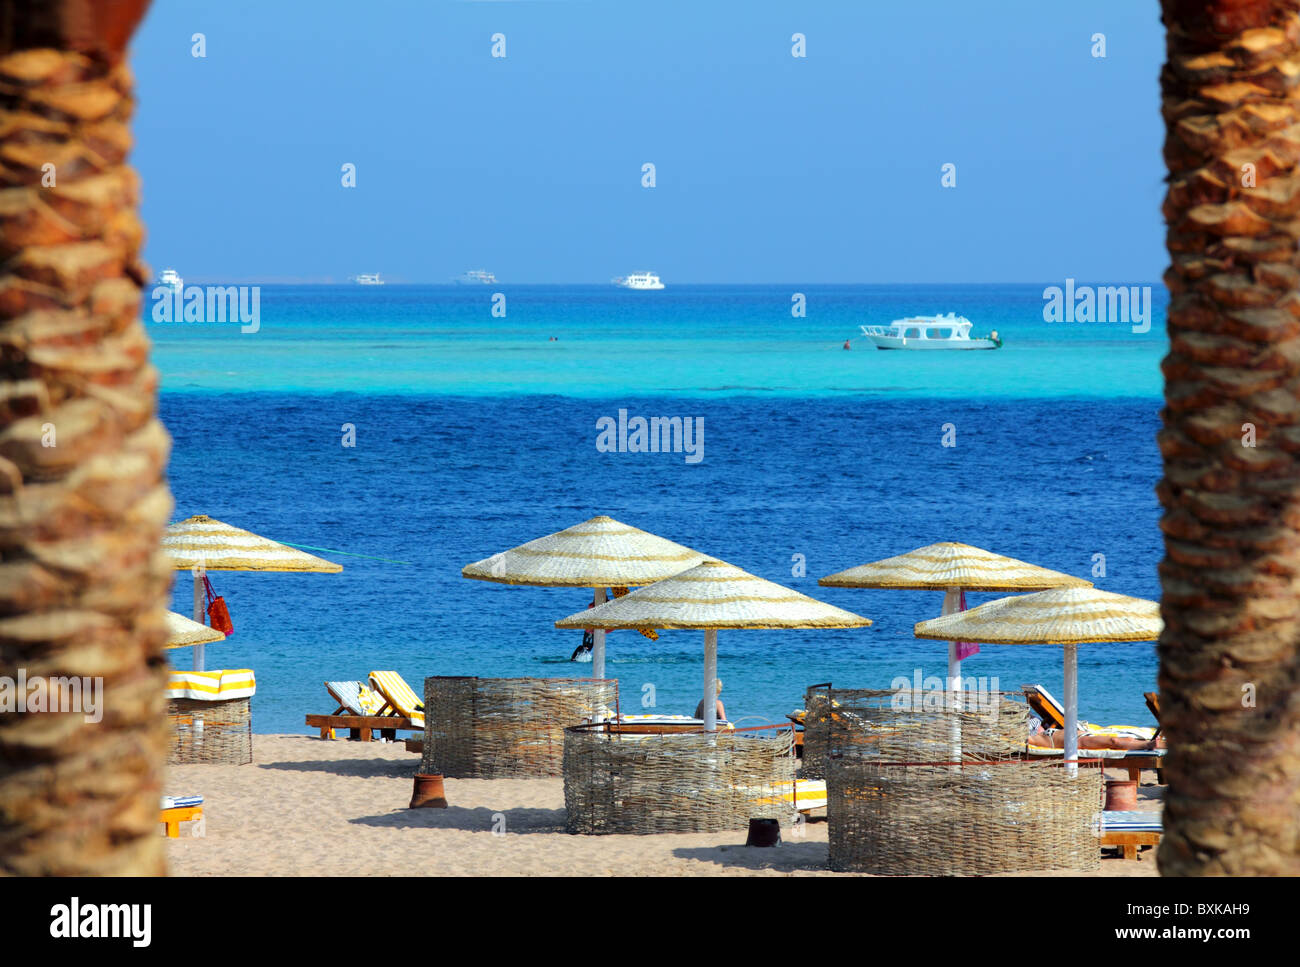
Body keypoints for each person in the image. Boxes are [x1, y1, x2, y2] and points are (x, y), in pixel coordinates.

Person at [1027, 714, 1164, 752]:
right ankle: (1148, 745)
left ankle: (1159, 744)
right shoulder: (1032, 739)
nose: (1039, 727)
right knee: (1113, 742)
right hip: (1077, 742)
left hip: (1078, 735)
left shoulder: (1040, 730)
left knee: (1122, 738)